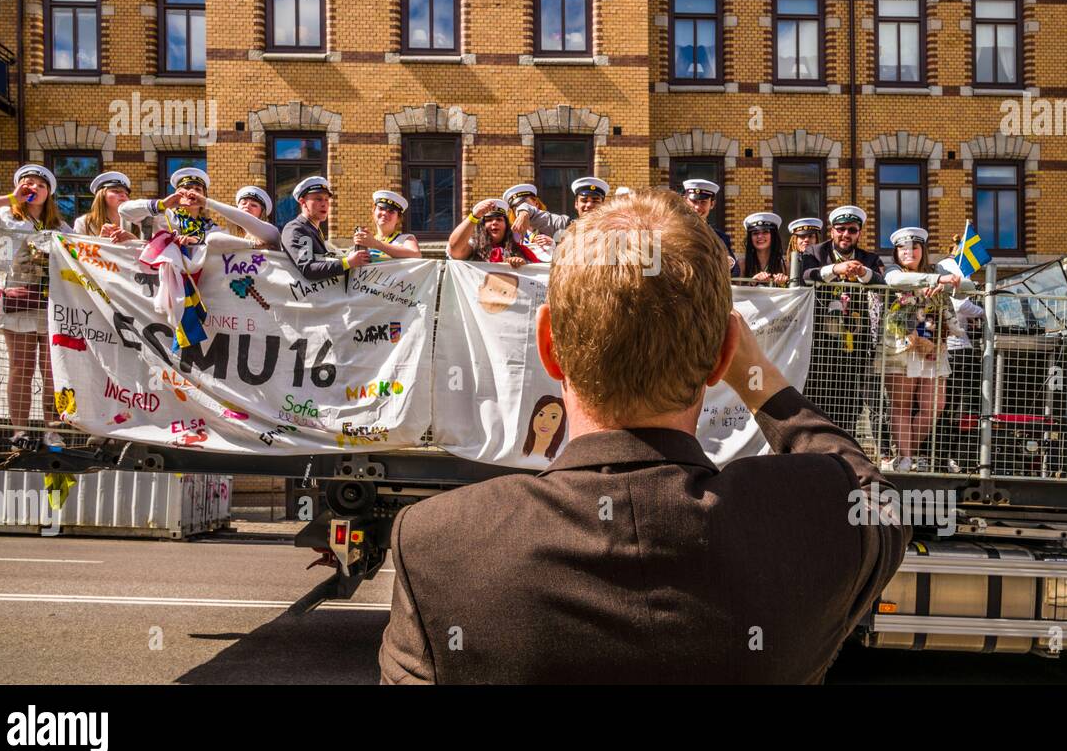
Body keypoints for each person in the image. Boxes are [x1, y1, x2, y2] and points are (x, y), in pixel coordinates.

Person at [379, 189, 910, 683]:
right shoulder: (812, 522)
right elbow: (876, 498)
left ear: (548, 347)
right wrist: (758, 378)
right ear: (723, 355)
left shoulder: (438, 543)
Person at [0, 165, 71, 449]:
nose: (34, 188)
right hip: (18, 298)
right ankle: (19, 432)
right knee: (21, 367)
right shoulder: (6, 215)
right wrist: (11, 198)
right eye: (28, 183)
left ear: (49, 193)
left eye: (40, 185)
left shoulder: (59, 226)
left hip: (51, 303)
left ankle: (52, 430)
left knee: (52, 370)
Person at [876, 227, 966, 473]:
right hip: (901, 346)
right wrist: (935, 281)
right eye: (903, 248)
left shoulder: (937, 271)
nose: (909, 252)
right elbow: (895, 282)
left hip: (933, 346)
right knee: (901, 406)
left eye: (914, 247)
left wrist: (943, 284)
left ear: (922, 250)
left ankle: (906, 451)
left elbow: (962, 285)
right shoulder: (893, 271)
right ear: (896, 252)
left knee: (934, 406)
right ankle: (906, 458)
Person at [800, 206, 886, 438]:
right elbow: (804, 275)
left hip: (855, 344)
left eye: (852, 230)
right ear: (832, 231)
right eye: (840, 229)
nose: (845, 234)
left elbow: (882, 282)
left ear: (859, 233)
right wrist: (835, 269)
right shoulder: (815, 252)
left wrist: (863, 273)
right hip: (821, 344)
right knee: (817, 398)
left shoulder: (869, 258)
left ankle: (844, 448)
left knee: (850, 403)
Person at [936, 257, 984, 474]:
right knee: (957, 408)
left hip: (951, 353)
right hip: (957, 354)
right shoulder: (953, 294)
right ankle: (950, 456)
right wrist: (984, 311)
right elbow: (961, 305)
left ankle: (950, 456)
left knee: (954, 408)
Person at [281, 176, 371, 281]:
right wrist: (348, 262)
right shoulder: (296, 229)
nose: (324, 204)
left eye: (327, 199)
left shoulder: (313, 229)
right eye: (318, 199)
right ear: (303, 202)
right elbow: (308, 269)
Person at [509, 177, 609, 253]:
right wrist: (524, 213)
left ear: (603, 204)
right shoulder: (564, 225)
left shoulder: (612, 229)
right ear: (576, 204)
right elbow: (536, 214)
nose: (589, 205)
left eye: (595, 201)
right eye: (584, 200)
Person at [448, 197, 538, 266]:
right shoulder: (473, 247)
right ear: (482, 226)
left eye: (499, 219)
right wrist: (474, 217)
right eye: (489, 220)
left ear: (506, 225)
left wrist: (523, 266)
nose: (494, 222)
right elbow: (455, 248)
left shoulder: (521, 250)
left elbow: (536, 274)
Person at [681, 178, 737, 273]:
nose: (697, 207)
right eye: (694, 201)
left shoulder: (720, 238)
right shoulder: (672, 232)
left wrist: (729, 263)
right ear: (685, 201)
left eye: (703, 202)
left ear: (712, 204)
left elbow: (735, 272)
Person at [72, 171, 140, 242]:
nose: (123, 195)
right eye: (116, 191)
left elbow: (147, 247)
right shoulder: (84, 223)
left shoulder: (138, 223)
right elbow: (76, 248)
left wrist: (135, 241)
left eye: (126, 194)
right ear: (101, 196)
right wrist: (101, 241)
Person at [353, 190, 421, 259]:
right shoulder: (367, 241)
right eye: (381, 208)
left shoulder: (406, 239)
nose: (384, 213)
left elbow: (416, 254)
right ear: (373, 212)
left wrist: (375, 243)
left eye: (391, 211)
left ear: (398, 218)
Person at [219, 185, 281, 250]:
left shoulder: (268, 236)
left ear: (262, 213)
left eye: (253, 205)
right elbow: (213, 239)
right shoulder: (228, 233)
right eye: (243, 203)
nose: (247, 206)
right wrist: (253, 245)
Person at [741, 212, 788, 286]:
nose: (760, 236)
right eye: (755, 233)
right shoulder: (741, 264)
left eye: (765, 232)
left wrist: (783, 285)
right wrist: (752, 282)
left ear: (774, 236)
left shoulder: (786, 266)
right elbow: (735, 291)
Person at [521, 395, 567, 461]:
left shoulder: (560, 460)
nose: (545, 423)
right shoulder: (519, 455)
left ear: (561, 423)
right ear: (534, 416)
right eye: (541, 414)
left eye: (553, 417)